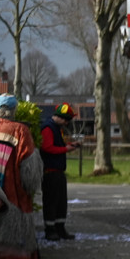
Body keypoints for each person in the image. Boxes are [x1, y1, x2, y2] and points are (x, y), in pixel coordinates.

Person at [0, 95, 47, 259]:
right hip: (12, 198)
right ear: (14, 110)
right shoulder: (20, 130)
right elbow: (30, 176)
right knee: (14, 244)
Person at [39, 103, 80, 242]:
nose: (67, 123)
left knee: (61, 202)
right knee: (51, 202)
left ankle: (60, 228)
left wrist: (68, 146)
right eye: (66, 120)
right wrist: (66, 149)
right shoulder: (48, 128)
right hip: (50, 172)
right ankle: (50, 230)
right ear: (60, 118)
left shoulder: (56, 128)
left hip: (58, 172)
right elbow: (47, 148)